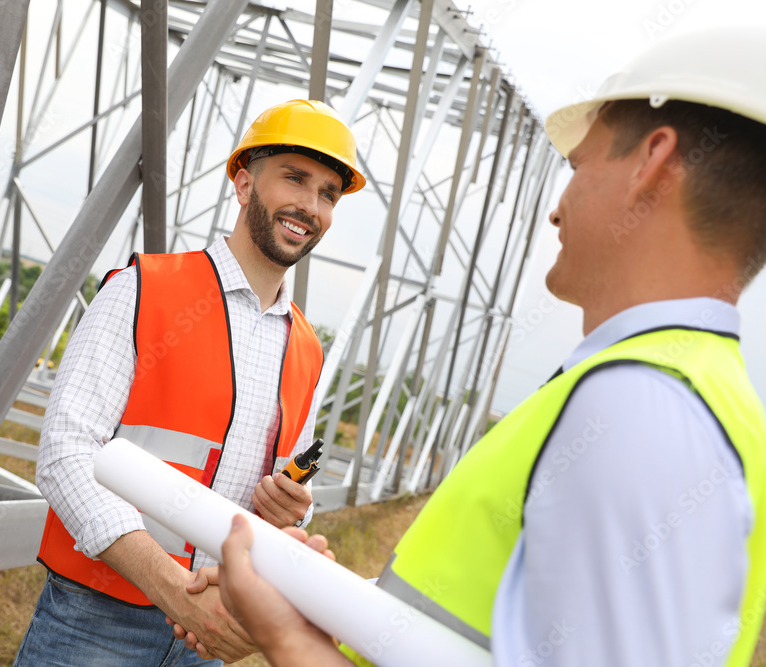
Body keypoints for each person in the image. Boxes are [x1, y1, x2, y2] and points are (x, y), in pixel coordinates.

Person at [199, 26, 766, 667]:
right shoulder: (680, 394)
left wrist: (288, 639)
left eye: (578, 167)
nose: (557, 210)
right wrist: (325, 597)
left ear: (652, 167)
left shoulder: (645, 410)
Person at [12, 99, 367, 667]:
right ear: (245, 184)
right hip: (99, 621)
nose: (310, 205)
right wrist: (171, 589)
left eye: (328, 192)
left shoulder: (306, 347)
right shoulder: (142, 289)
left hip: (209, 633)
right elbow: (65, 454)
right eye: (294, 179)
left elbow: (274, 495)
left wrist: (287, 510)